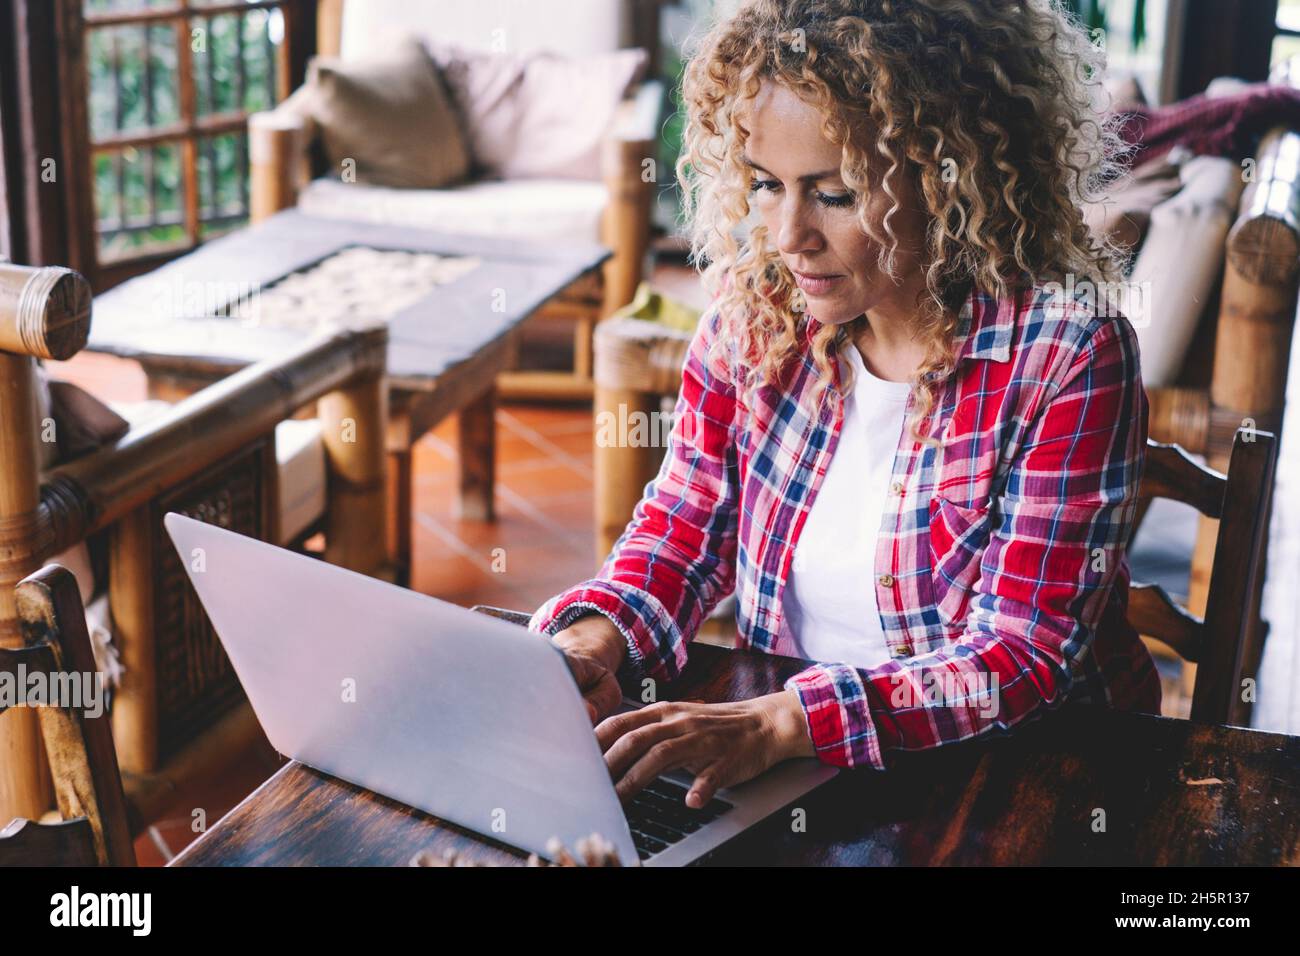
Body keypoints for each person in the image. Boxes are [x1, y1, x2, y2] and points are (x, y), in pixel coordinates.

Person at [529, 0, 1161, 809]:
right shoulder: (753, 311)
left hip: (1021, 782)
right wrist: (595, 639)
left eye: (835, 194)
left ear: (948, 175)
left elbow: (1023, 655)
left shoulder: (1066, 354)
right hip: (808, 770)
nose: (788, 234)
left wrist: (779, 725)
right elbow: (685, 526)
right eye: (764, 185)